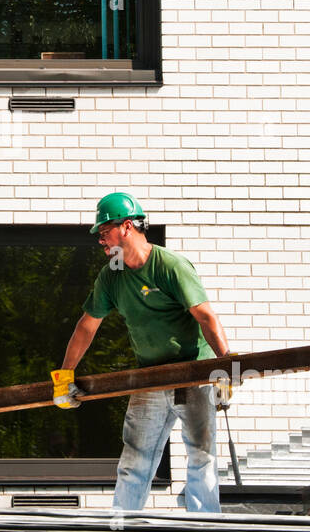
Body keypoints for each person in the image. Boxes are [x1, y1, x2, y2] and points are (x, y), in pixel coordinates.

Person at [52, 192, 230, 512]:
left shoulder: (169, 266)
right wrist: (65, 375)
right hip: (149, 377)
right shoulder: (111, 276)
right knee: (135, 460)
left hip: (192, 372)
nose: (101, 240)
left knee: (200, 457)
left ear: (128, 226)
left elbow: (206, 316)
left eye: (105, 231)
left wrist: (225, 366)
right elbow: (86, 326)